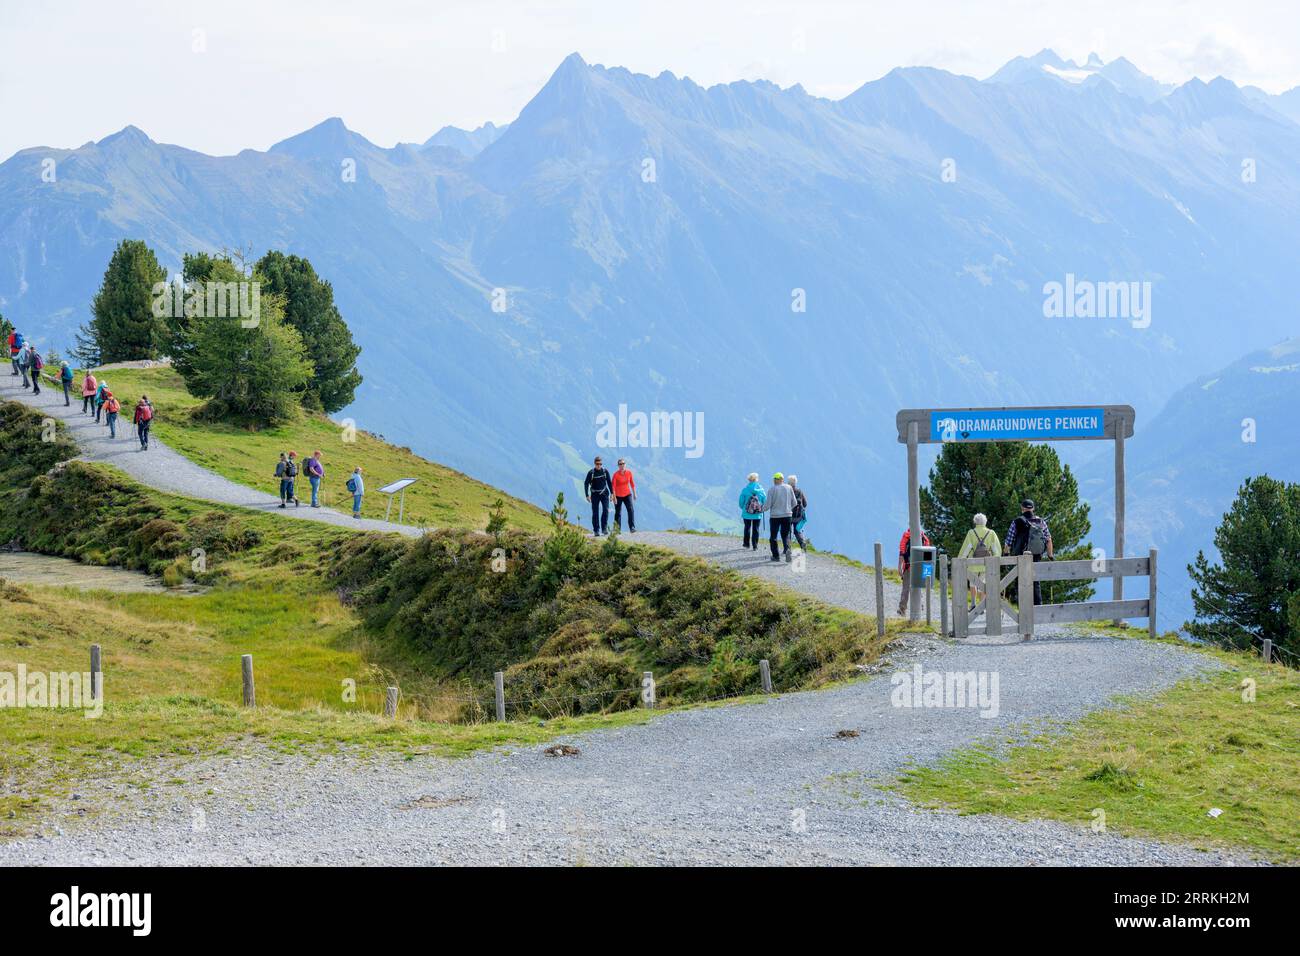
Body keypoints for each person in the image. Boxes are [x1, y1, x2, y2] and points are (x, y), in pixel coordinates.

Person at [1005, 498, 1053, 605]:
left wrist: (1006, 554)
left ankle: (1023, 607)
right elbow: (1048, 539)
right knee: (1035, 581)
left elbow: (1009, 541)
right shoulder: (1041, 521)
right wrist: (1050, 555)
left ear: (1022, 508)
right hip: (1036, 555)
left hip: (1021, 556)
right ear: (1033, 508)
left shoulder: (1017, 521)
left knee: (1020, 580)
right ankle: (1037, 606)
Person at [957, 513, 1002, 609]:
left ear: (975, 522)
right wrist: (996, 561)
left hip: (973, 563)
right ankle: (982, 606)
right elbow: (996, 550)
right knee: (984, 584)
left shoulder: (971, 532)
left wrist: (960, 559)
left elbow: (966, 548)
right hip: (987, 564)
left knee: (973, 583)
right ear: (985, 522)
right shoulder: (991, 533)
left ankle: (973, 604)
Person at [896, 527, 932, 615]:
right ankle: (920, 606)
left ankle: (902, 608)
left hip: (908, 567)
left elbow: (902, 553)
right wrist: (927, 571)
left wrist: (899, 568)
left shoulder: (906, 536)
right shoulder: (924, 538)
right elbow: (928, 556)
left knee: (906, 588)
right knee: (918, 587)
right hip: (919, 568)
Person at [762, 472, 797, 563]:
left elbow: (768, 505)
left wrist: (761, 509)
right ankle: (788, 552)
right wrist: (789, 509)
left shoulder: (771, 490)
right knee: (785, 535)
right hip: (787, 515)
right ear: (782, 479)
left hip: (775, 516)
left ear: (776, 480)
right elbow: (795, 503)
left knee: (773, 536)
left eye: (774, 479)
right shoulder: (789, 488)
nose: (774, 480)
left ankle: (776, 556)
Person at [583, 455, 613, 536]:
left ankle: (604, 529)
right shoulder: (591, 473)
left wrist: (612, 494)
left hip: (604, 493)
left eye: (600, 464)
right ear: (594, 464)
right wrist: (587, 495)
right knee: (595, 512)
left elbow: (610, 483)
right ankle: (596, 530)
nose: (599, 465)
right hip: (594, 494)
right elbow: (586, 483)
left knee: (606, 510)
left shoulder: (605, 472)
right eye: (597, 464)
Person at [738, 472, 766, 550]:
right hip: (757, 513)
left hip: (746, 512)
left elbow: (741, 502)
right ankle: (755, 546)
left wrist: (743, 508)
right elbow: (765, 501)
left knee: (747, 527)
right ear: (757, 480)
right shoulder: (761, 490)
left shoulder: (745, 490)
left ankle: (746, 544)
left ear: (749, 480)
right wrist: (762, 508)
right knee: (756, 529)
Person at [611, 458, 637, 532]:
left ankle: (632, 527)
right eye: (620, 464)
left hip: (627, 494)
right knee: (618, 512)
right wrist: (614, 497)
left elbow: (632, 483)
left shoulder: (629, 473)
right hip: (618, 496)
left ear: (625, 464)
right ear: (618, 466)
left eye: (623, 463)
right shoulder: (615, 475)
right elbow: (613, 487)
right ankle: (617, 529)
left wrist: (635, 493)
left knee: (631, 510)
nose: (622, 465)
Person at [788, 474, 809, 551]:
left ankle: (788, 548)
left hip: (788, 515)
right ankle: (802, 543)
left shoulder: (787, 492)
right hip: (798, 516)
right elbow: (805, 504)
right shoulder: (800, 492)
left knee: (787, 532)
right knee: (797, 531)